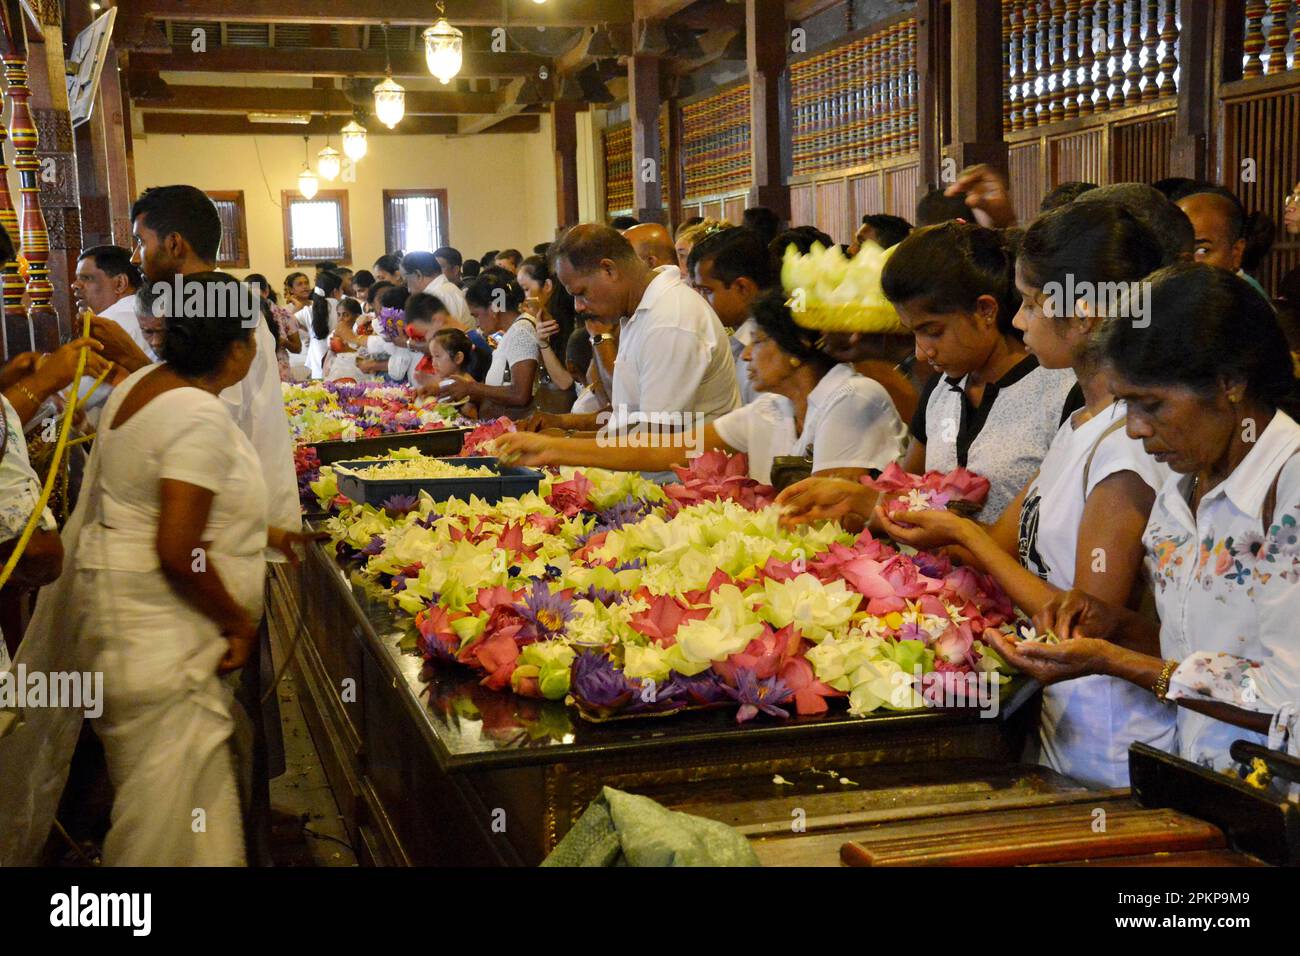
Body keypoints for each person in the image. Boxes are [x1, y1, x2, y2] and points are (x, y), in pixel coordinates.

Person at [875, 201, 1175, 788]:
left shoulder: (1128, 442)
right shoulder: (1079, 424)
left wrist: (963, 536)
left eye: (1033, 304)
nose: (1019, 322)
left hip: (1114, 738)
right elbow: (998, 544)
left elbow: (1085, 625)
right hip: (1060, 723)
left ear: (1084, 314)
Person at [989, 263, 1300, 782]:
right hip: (1209, 785)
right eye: (1126, 404)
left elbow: (1284, 696)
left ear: (1230, 383)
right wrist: (1118, 626)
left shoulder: (1288, 487)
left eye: (1151, 405)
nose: (1135, 429)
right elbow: (1195, 655)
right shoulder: (1184, 486)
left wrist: (1112, 660)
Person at [75, 272, 314, 865]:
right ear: (233, 348)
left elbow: (160, 502)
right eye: (252, 339)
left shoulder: (143, 386)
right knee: (174, 830)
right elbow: (178, 551)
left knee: (165, 811)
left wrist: (267, 532)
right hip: (163, 640)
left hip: (126, 631)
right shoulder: (197, 417)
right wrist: (235, 621)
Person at [781, 221, 1079, 526]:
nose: (923, 352)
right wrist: (850, 503)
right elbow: (909, 492)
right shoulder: (942, 391)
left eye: (933, 331)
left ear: (985, 310)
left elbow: (1049, 535)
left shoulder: (1062, 393)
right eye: (914, 334)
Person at [497, 291, 907, 484]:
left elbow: (831, 506)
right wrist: (555, 447)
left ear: (796, 349)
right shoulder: (772, 411)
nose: (745, 355)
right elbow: (661, 448)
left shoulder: (850, 398)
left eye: (759, 342)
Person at [520, 224, 739, 436]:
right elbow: (626, 416)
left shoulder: (669, 320)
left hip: (681, 471)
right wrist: (560, 424)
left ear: (609, 269)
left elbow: (653, 440)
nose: (578, 306)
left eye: (581, 292)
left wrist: (561, 445)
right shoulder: (638, 310)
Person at [434, 270, 539, 419]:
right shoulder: (511, 332)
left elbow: (520, 394)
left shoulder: (521, 331)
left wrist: (472, 387)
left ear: (493, 308)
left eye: (476, 315)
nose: (477, 324)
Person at [687, 226, 773, 405]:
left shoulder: (768, 349)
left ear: (742, 288)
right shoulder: (738, 337)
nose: (700, 300)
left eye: (706, 291)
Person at [1177, 186, 1271, 302]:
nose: (1184, 263)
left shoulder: (1250, 307)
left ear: (1236, 252)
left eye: (1202, 251)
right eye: (1175, 250)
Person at [518, 254, 578, 406]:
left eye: (526, 289)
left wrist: (543, 343)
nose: (523, 298)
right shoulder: (544, 319)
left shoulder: (571, 322)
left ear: (547, 286)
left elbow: (564, 382)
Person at [73, 246, 147, 359]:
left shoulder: (106, 325)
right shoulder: (156, 315)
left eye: (87, 278)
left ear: (120, 283)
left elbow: (82, 376)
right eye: (77, 278)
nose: (75, 285)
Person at [401, 250, 470, 326]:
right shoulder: (445, 289)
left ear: (418, 275)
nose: (408, 289)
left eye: (407, 280)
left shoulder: (438, 296)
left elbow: (441, 336)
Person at [298, 269, 343, 380]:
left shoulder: (309, 310)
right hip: (340, 365)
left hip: (317, 366)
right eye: (342, 289)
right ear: (335, 291)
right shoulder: (343, 308)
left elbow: (288, 321)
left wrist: (309, 331)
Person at [324, 297, 366, 383]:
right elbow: (329, 357)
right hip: (337, 372)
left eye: (346, 315)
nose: (340, 319)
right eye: (339, 314)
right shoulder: (334, 334)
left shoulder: (363, 334)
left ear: (357, 317)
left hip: (357, 373)